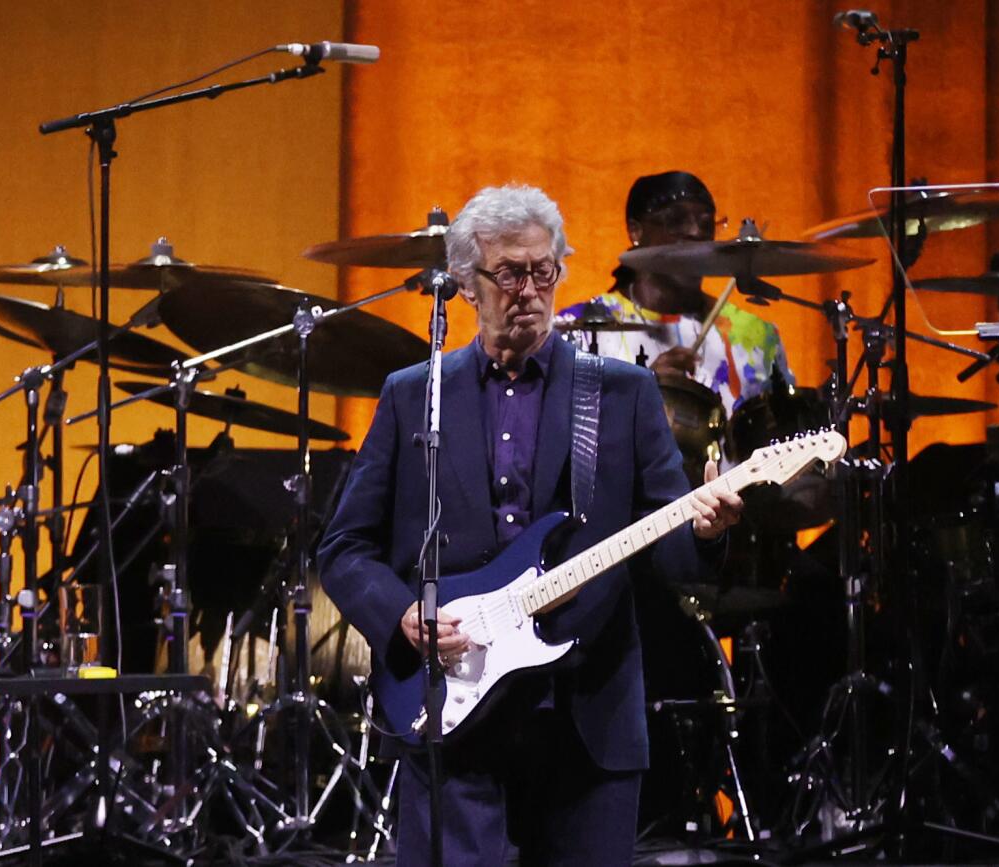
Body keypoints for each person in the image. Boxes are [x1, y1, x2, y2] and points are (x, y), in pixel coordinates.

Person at [318, 184, 743, 866]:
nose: (528, 289)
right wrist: (401, 614)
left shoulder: (619, 393)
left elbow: (673, 556)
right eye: (508, 273)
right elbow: (343, 546)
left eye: (543, 271)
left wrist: (707, 529)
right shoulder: (412, 395)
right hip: (452, 717)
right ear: (464, 283)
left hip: (586, 722)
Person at [557, 170, 795, 420]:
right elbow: (556, 438)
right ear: (635, 231)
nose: (695, 232)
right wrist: (644, 389)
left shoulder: (756, 336)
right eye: (676, 220)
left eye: (706, 223)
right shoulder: (577, 333)